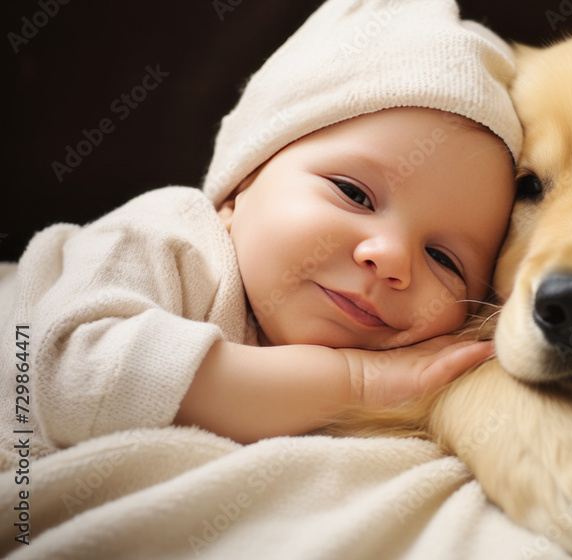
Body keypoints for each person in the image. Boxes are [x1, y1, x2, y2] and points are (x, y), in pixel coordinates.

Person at [0, 0, 521, 468]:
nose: (392, 259)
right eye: (354, 194)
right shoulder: (169, 238)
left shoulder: (419, 376)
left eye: (444, 258)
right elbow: (75, 378)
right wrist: (358, 381)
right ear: (242, 184)